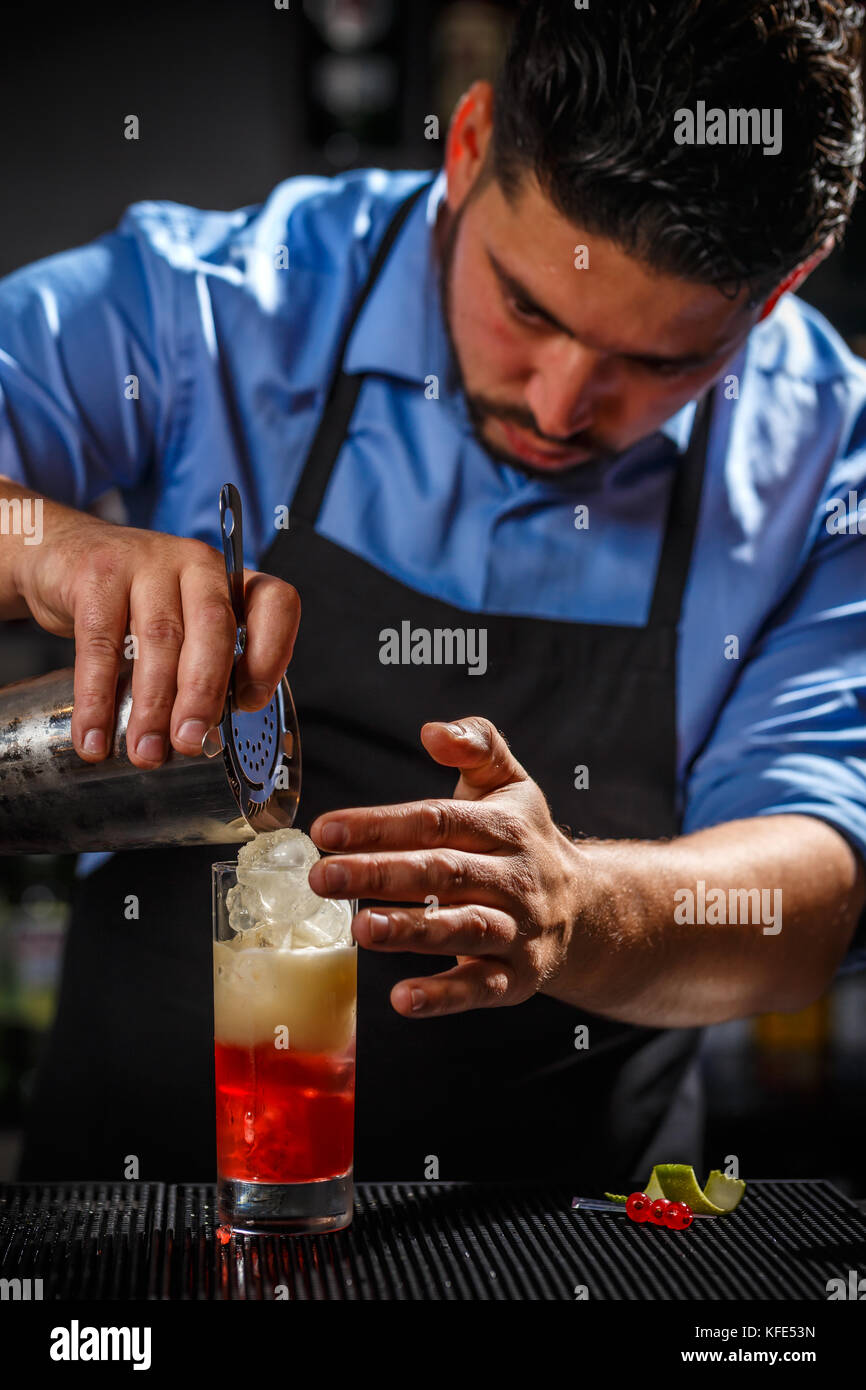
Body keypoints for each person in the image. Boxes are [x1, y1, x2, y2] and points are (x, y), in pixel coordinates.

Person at [1, 0, 865, 1188]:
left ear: (774, 296)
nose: (560, 405)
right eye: (526, 307)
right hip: (130, 1207)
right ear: (466, 150)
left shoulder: (826, 458)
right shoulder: (214, 303)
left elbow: (808, 899)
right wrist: (47, 538)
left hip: (572, 1232)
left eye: (658, 361)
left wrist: (574, 906)